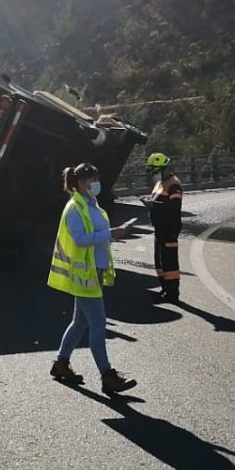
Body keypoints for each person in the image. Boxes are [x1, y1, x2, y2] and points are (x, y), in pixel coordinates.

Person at [49, 162, 138, 394]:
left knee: (80, 323)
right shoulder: (74, 208)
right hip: (84, 275)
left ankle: (61, 362)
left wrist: (114, 234)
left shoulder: (91, 204)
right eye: (92, 181)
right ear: (80, 184)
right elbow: (80, 239)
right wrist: (110, 234)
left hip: (93, 271)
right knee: (98, 324)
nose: (96, 184)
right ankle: (107, 375)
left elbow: (96, 235)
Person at [142, 152, 183, 303]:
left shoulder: (173, 184)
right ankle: (165, 289)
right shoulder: (160, 183)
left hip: (169, 228)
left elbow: (174, 206)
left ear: (164, 169)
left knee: (169, 261)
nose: (153, 174)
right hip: (160, 227)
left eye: (155, 170)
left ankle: (173, 292)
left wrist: (155, 206)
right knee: (159, 260)